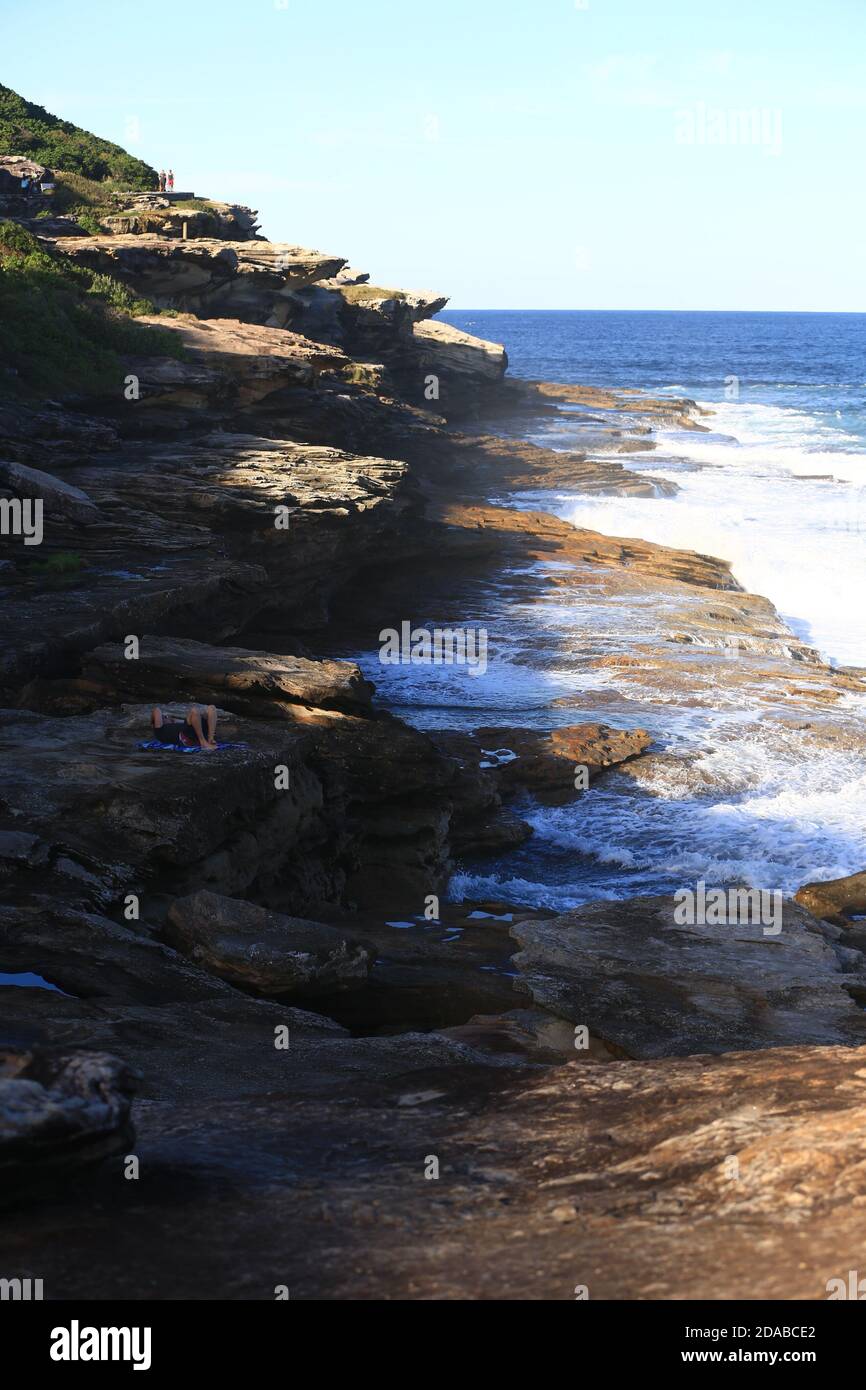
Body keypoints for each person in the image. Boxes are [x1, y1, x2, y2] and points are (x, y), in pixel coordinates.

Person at [150, 704, 218, 751]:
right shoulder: (159, 730)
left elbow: (190, 721)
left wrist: (173, 720)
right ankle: (203, 742)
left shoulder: (175, 723)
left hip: (195, 731)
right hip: (187, 737)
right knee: (194, 711)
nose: (166, 717)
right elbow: (157, 710)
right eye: (164, 717)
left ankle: (210, 739)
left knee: (211, 708)